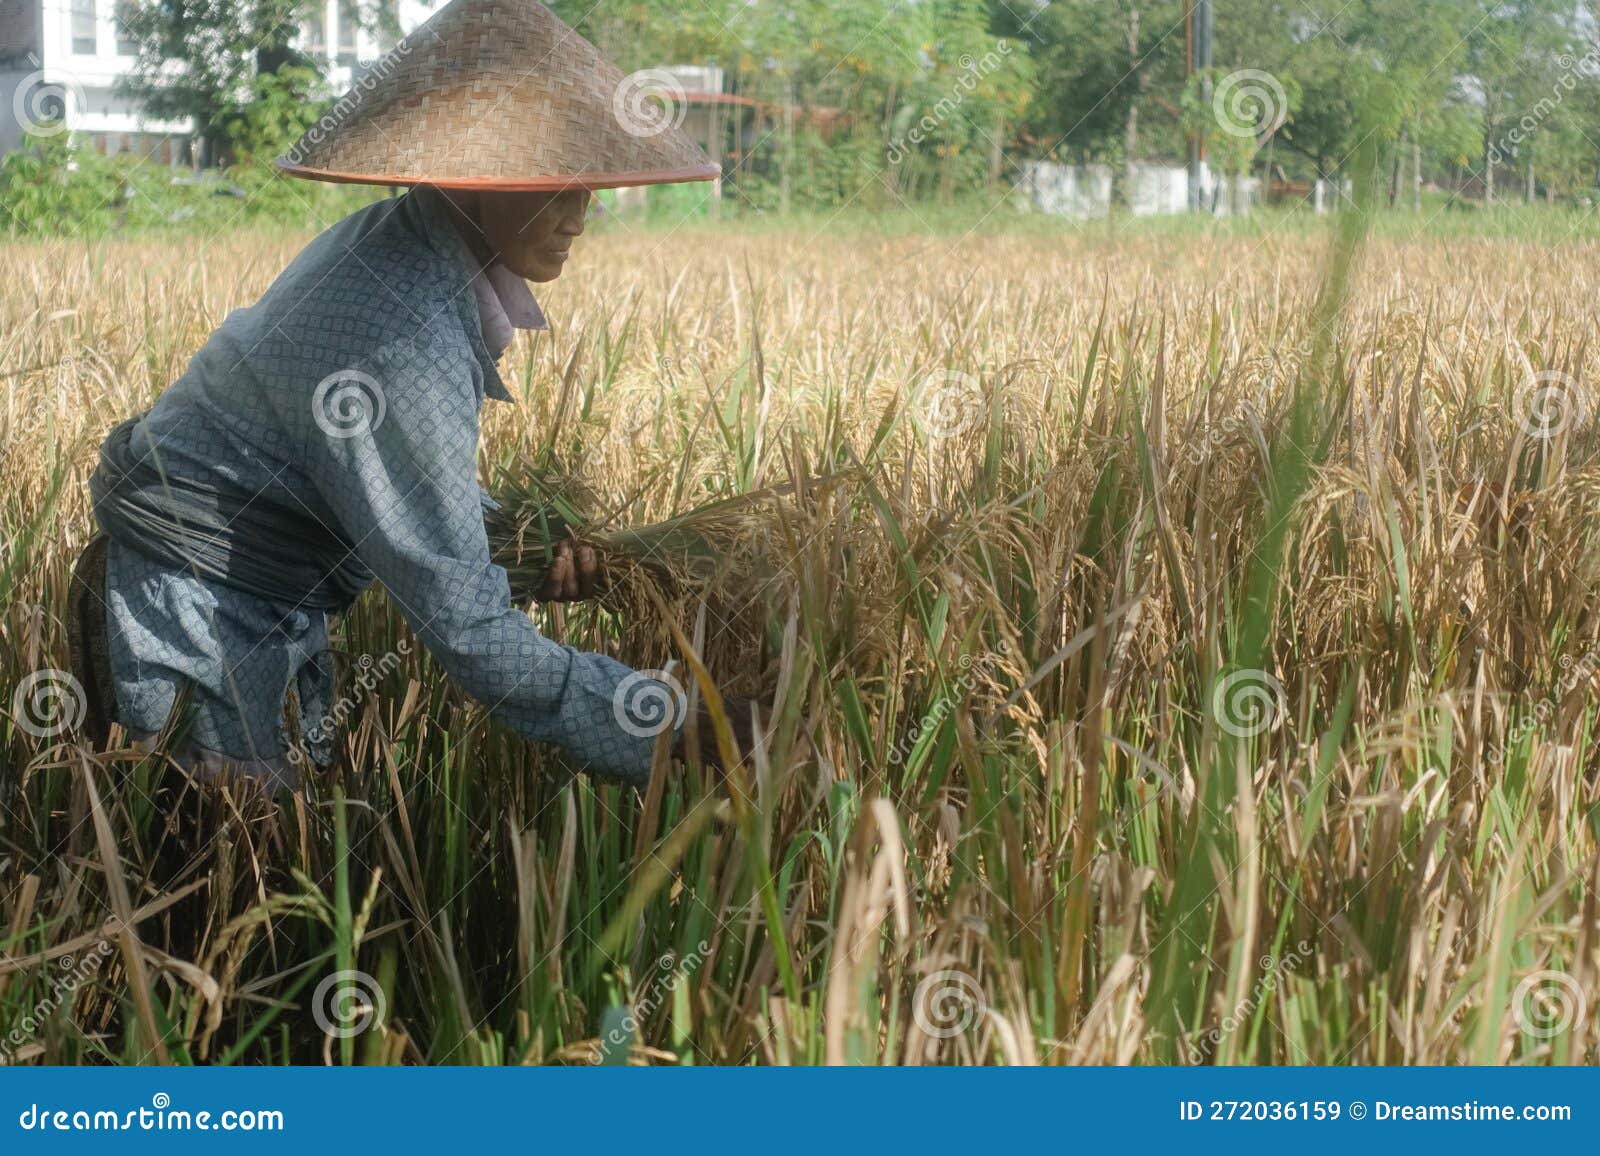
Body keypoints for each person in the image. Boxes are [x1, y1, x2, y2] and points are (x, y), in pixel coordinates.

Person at [68, 0, 746, 792]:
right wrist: (665, 719)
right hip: (195, 612)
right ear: (477, 181)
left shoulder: (403, 242)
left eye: (587, 188)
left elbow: (397, 494)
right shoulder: (404, 329)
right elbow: (465, 630)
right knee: (195, 875)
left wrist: (530, 543)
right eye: (556, 186)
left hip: (236, 593)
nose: (579, 218)